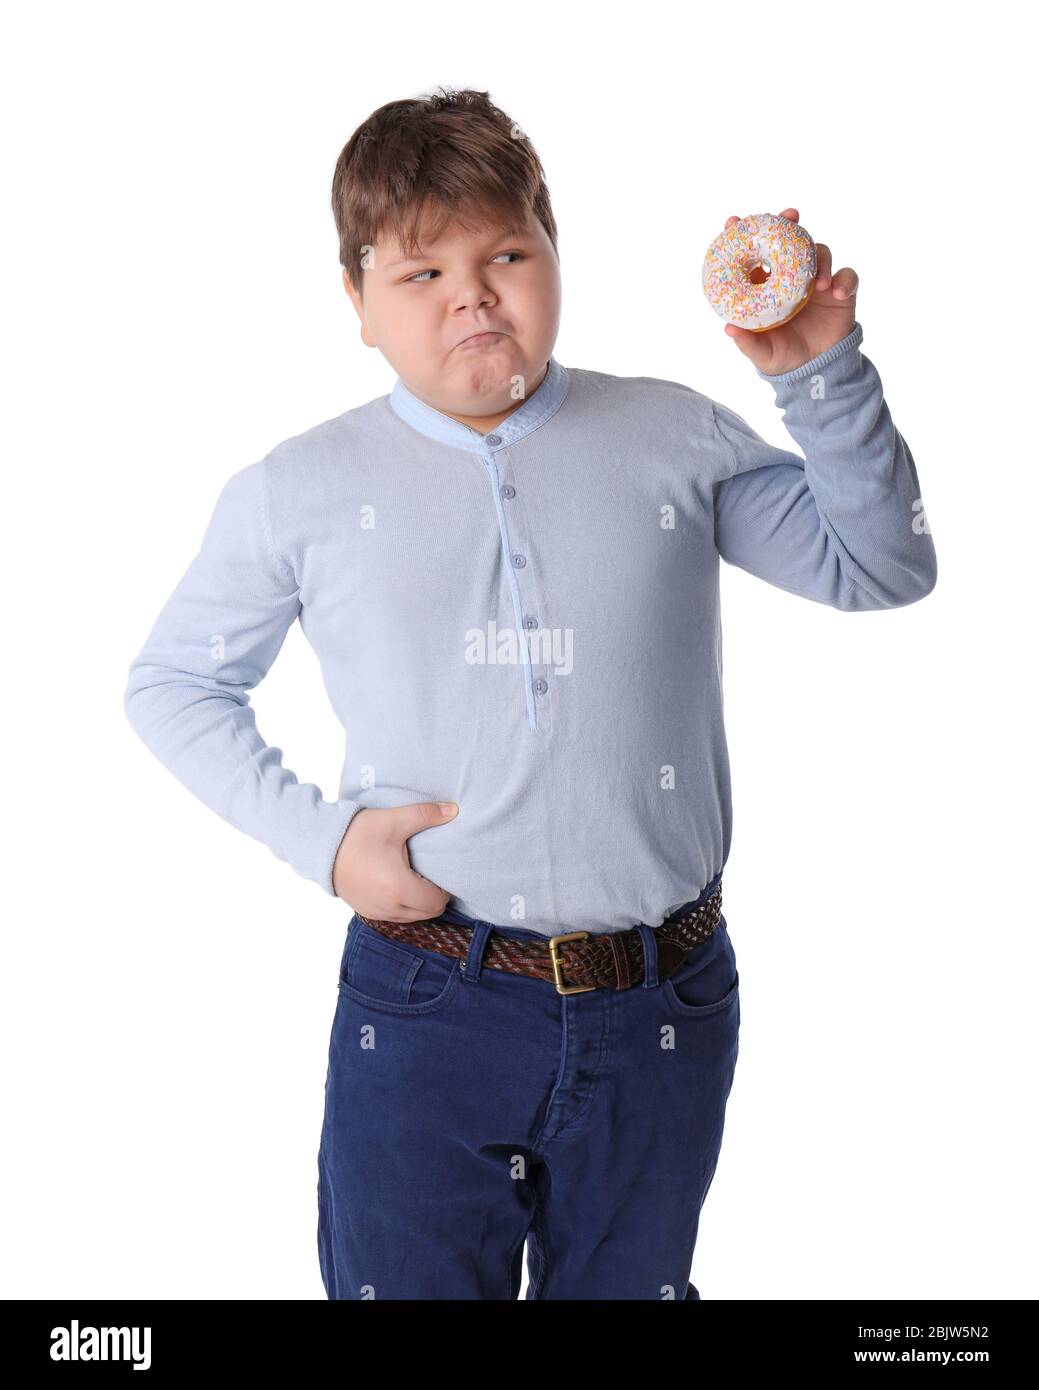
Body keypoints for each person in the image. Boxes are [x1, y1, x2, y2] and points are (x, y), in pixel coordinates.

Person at [123, 86, 938, 1300]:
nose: (473, 292)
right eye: (421, 272)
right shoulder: (297, 489)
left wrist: (822, 375)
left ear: (553, 253)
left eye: (506, 251)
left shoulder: (671, 433)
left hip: (665, 992)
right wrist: (327, 840)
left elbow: (881, 564)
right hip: (429, 1000)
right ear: (357, 302)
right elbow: (174, 684)